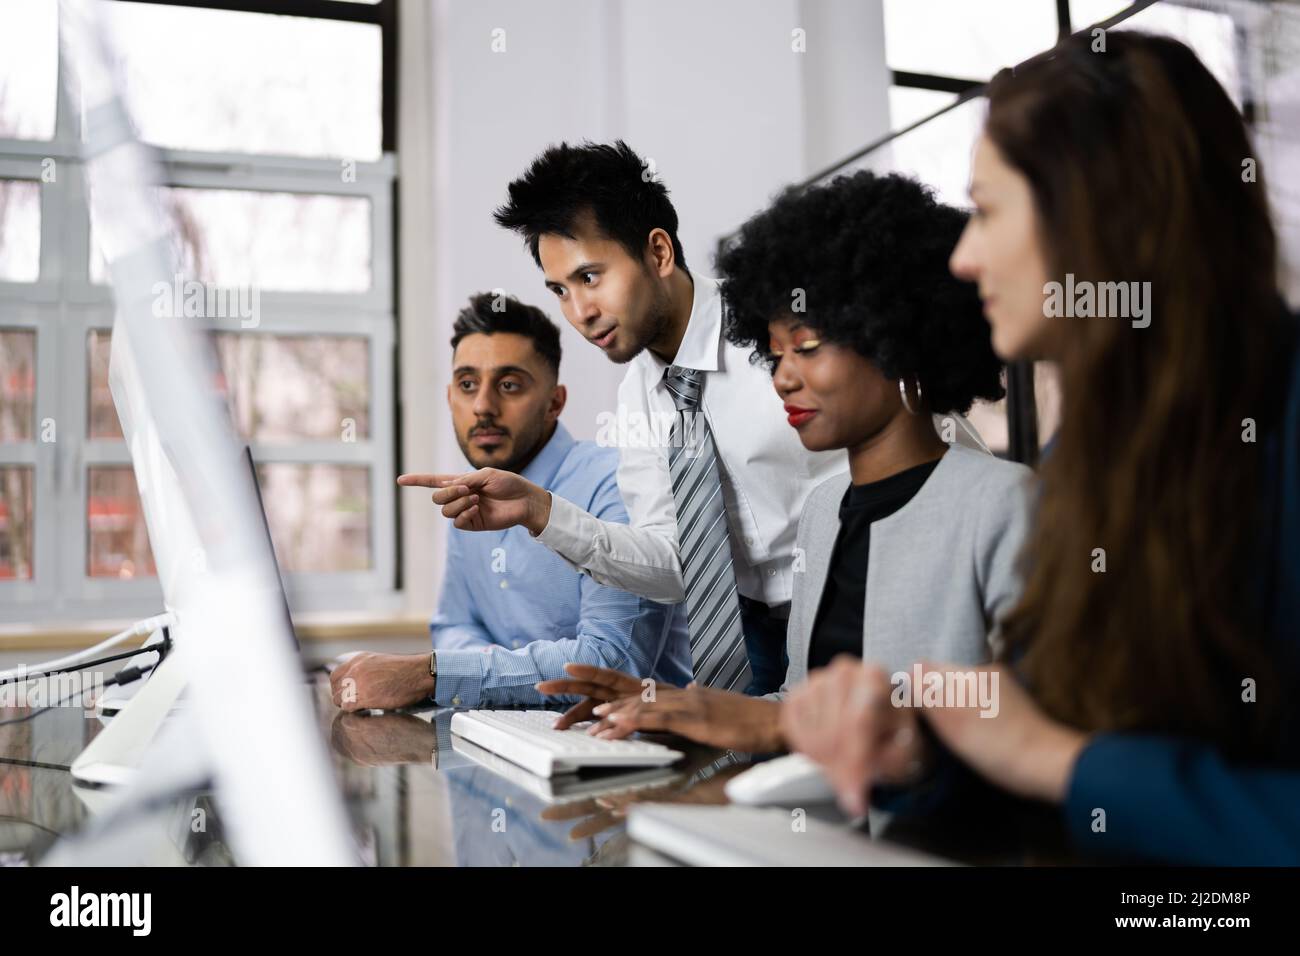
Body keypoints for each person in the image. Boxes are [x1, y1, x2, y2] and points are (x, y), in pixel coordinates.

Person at [781, 31, 1300, 866]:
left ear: (1094, 211)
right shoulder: (1084, 458)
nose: (963, 255)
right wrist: (915, 751)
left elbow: (1053, 755)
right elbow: (1034, 739)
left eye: (987, 211)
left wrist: (1066, 764)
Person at [536, 171, 1032, 753]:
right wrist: (684, 706)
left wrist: (781, 724)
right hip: (776, 662)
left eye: (807, 349)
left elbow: (1020, 713)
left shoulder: (1001, 505)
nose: (782, 379)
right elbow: (797, 702)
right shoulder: (823, 516)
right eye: (773, 356)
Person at [329, 293, 688, 711]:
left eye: (509, 385)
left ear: (555, 402)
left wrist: (435, 674)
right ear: (450, 398)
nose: (483, 406)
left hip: (644, 753)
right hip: (518, 735)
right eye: (467, 385)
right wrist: (486, 674)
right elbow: (455, 624)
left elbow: (613, 664)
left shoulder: (616, 483)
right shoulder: (468, 495)